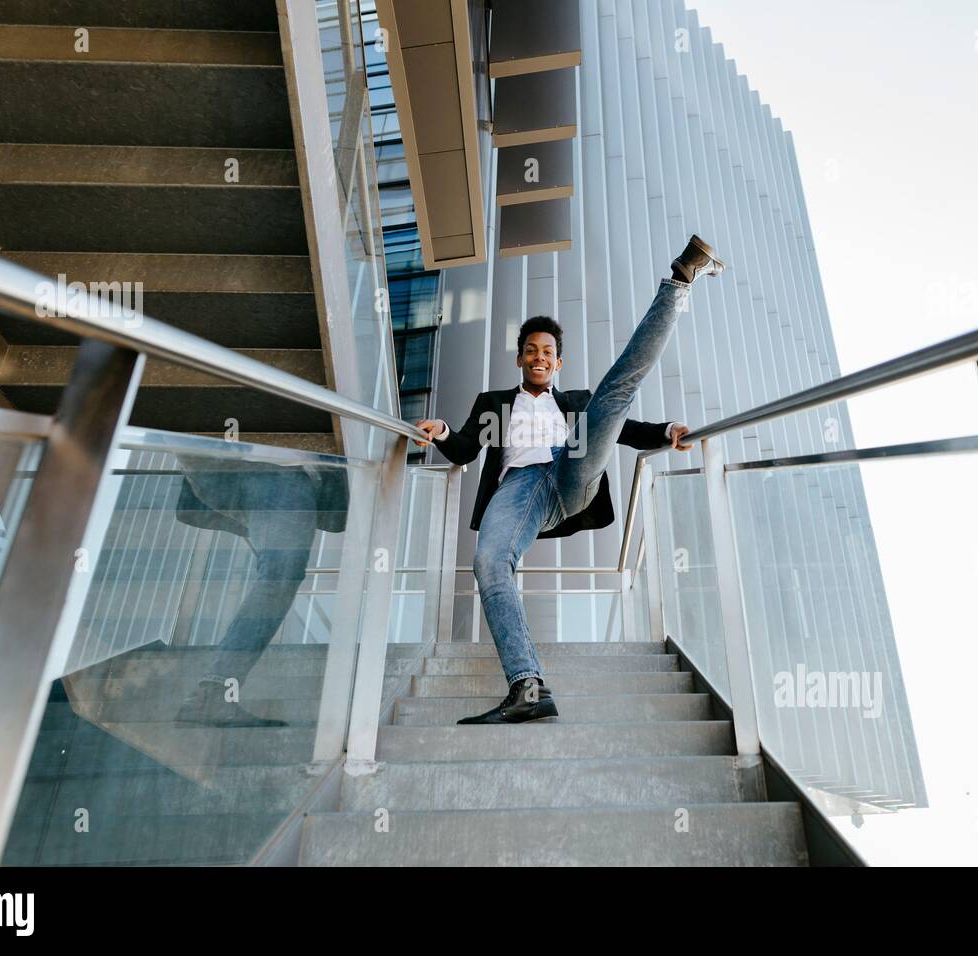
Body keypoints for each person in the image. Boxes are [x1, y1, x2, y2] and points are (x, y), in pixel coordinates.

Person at [416, 235, 724, 724]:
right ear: (519, 358)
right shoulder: (492, 401)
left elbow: (623, 427)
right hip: (518, 487)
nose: (540, 357)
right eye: (531, 350)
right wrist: (443, 431)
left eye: (548, 352)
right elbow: (466, 447)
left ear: (557, 362)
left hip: (572, 472)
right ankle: (527, 686)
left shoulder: (576, 400)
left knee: (615, 390)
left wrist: (667, 431)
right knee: (490, 562)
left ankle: (680, 279)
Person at [170, 456, 349, 728]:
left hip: (281, 471)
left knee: (281, 574)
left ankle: (215, 692)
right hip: (276, 466)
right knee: (280, 574)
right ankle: (213, 693)